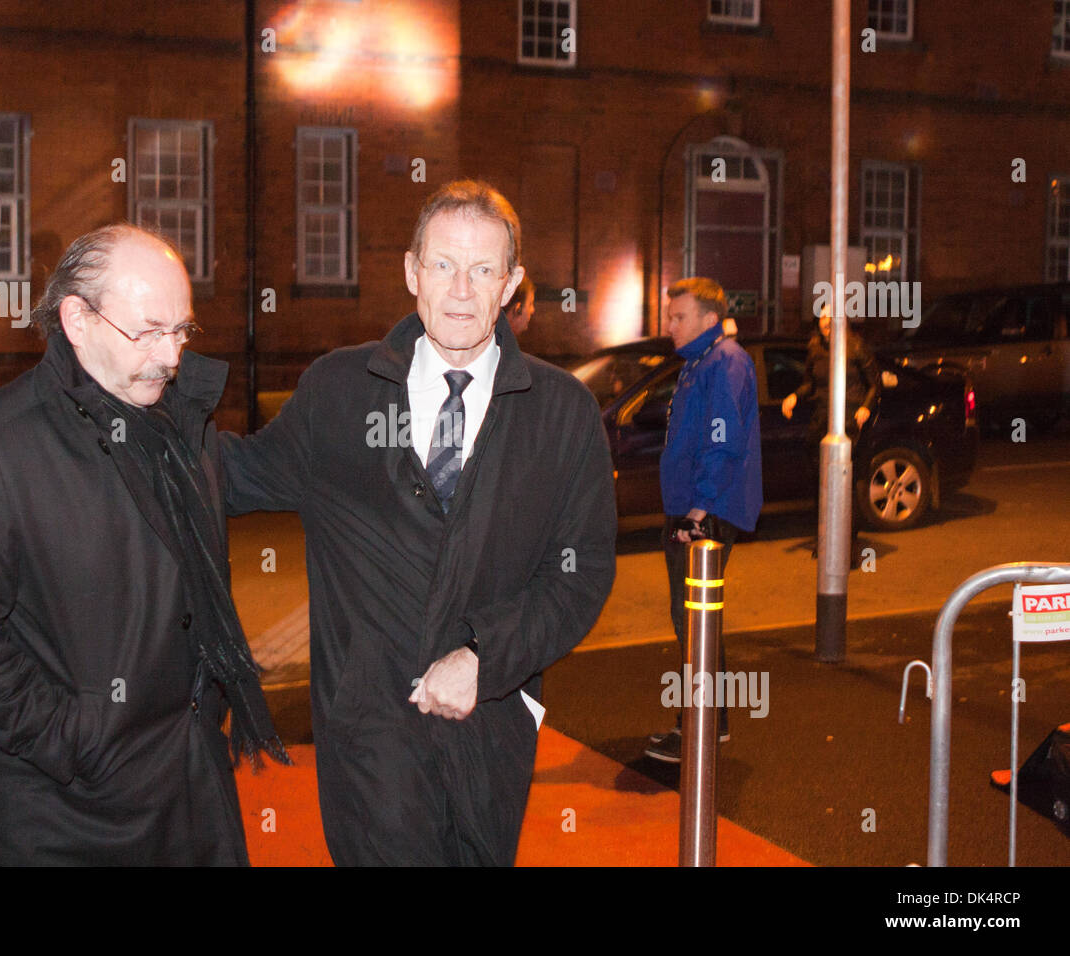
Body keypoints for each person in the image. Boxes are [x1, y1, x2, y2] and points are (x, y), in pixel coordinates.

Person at [221, 180, 617, 865]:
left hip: (489, 723)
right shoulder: (342, 392)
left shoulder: (561, 413)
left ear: (511, 285)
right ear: (410, 272)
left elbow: (579, 576)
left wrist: (485, 657)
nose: (461, 290)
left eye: (482, 270)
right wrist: (129, 404)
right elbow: (235, 475)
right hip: (372, 731)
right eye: (442, 265)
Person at [0, 224, 286, 865]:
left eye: (181, 330)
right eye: (146, 331)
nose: (170, 355)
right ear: (77, 320)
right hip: (64, 817)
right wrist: (80, 737)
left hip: (193, 793)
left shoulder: (180, 425)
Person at [643, 278, 762, 764]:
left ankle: (701, 726)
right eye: (670, 317)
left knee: (691, 620)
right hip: (693, 506)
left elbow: (724, 439)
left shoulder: (724, 361)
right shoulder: (700, 362)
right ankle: (713, 723)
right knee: (696, 620)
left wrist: (700, 510)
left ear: (709, 319)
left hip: (702, 513)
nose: (669, 326)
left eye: (679, 317)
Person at [781, 305, 882, 563]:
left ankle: (849, 544)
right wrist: (793, 396)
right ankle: (825, 539)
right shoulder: (815, 349)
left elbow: (875, 383)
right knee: (822, 484)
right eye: (823, 318)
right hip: (822, 422)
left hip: (851, 423)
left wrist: (865, 408)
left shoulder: (856, 346)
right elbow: (809, 384)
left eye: (832, 317)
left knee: (850, 485)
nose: (827, 322)